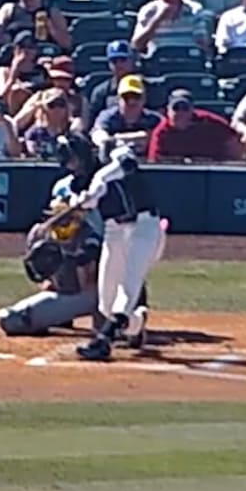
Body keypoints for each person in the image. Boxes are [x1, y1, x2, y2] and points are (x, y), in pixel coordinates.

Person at [67, 139, 166, 360]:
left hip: (144, 225)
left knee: (128, 286)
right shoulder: (78, 184)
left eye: (73, 159)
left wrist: (100, 181)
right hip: (114, 231)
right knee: (107, 303)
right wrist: (84, 200)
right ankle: (136, 323)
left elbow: (127, 164)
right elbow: (86, 202)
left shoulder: (113, 155)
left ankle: (103, 342)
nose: (72, 165)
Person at [0, 134, 103, 338]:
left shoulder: (103, 186)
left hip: (107, 279)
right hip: (74, 281)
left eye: (74, 158)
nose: (73, 165)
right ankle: (65, 297)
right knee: (12, 320)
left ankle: (119, 310)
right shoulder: (63, 187)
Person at [147, 89, 243, 161]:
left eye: (185, 108)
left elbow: (233, 143)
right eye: (176, 108)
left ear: (192, 110)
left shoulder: (209, 122)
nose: (180, 113)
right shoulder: (162, 132)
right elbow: (155, 162)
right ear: (167, 111)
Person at [132, 0, 208, 56]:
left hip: (187, 57)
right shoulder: (148, 10)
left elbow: (202, 43)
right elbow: (137, 44)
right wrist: (158, 19)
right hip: (158, 58)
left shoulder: (195, 10)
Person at [90, 74, 162, 155]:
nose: (131, 102)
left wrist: (117, 138)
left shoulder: (154, 119)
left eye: (136, 97)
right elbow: (99, 135)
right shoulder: (107, 116)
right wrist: (141, 137)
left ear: (144, 99)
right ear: (118, 99)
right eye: (126, 97)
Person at [80, 40, 138, 127]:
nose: (118, 64)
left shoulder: (147, 88)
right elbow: (92, 123)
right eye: (114, 61)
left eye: (123, 59)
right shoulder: (101, 92)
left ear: (132, 61)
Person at [21, 87, 76, 159]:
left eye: (61, 104)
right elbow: (33, 153)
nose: (57, 109)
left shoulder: (73, 131)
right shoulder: (34, 133)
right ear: (44, 108)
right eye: (52, 105)